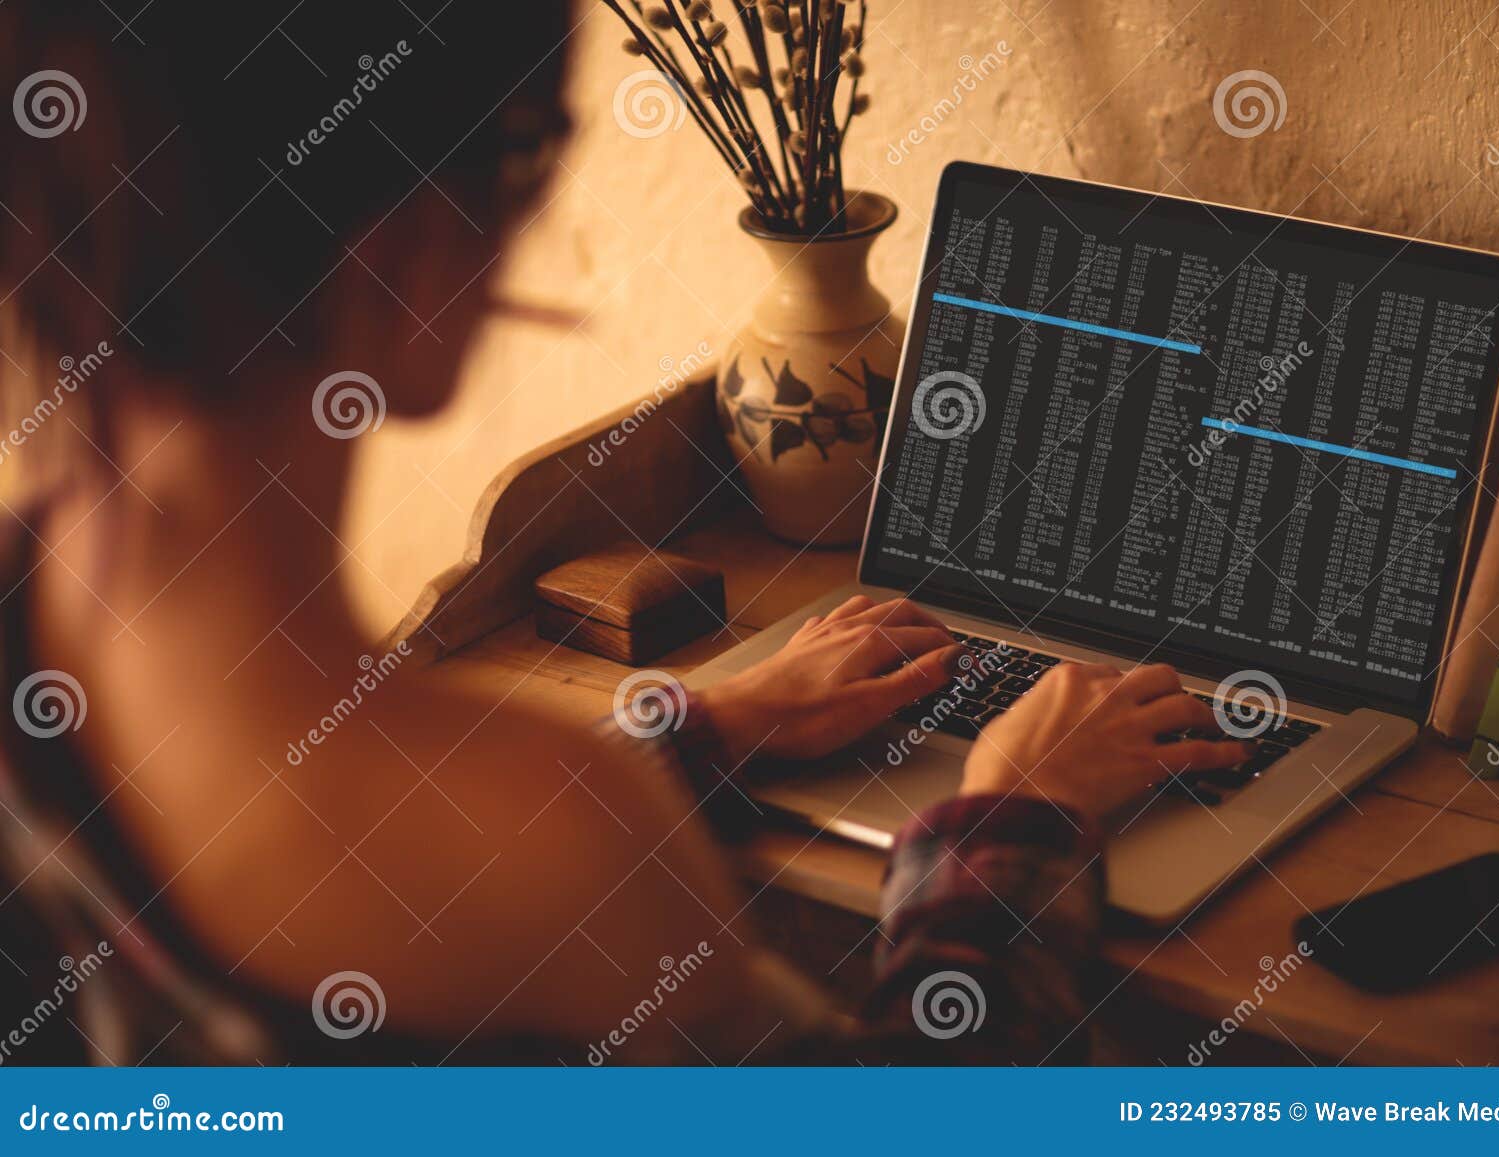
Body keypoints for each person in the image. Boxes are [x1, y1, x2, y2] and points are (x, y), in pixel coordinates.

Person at [0, 2, 1248, 1065]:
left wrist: (709, 725)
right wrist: (1010, 815)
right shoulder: (569, 837)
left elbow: (440, 861)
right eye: (526, 161)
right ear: (410, 258)